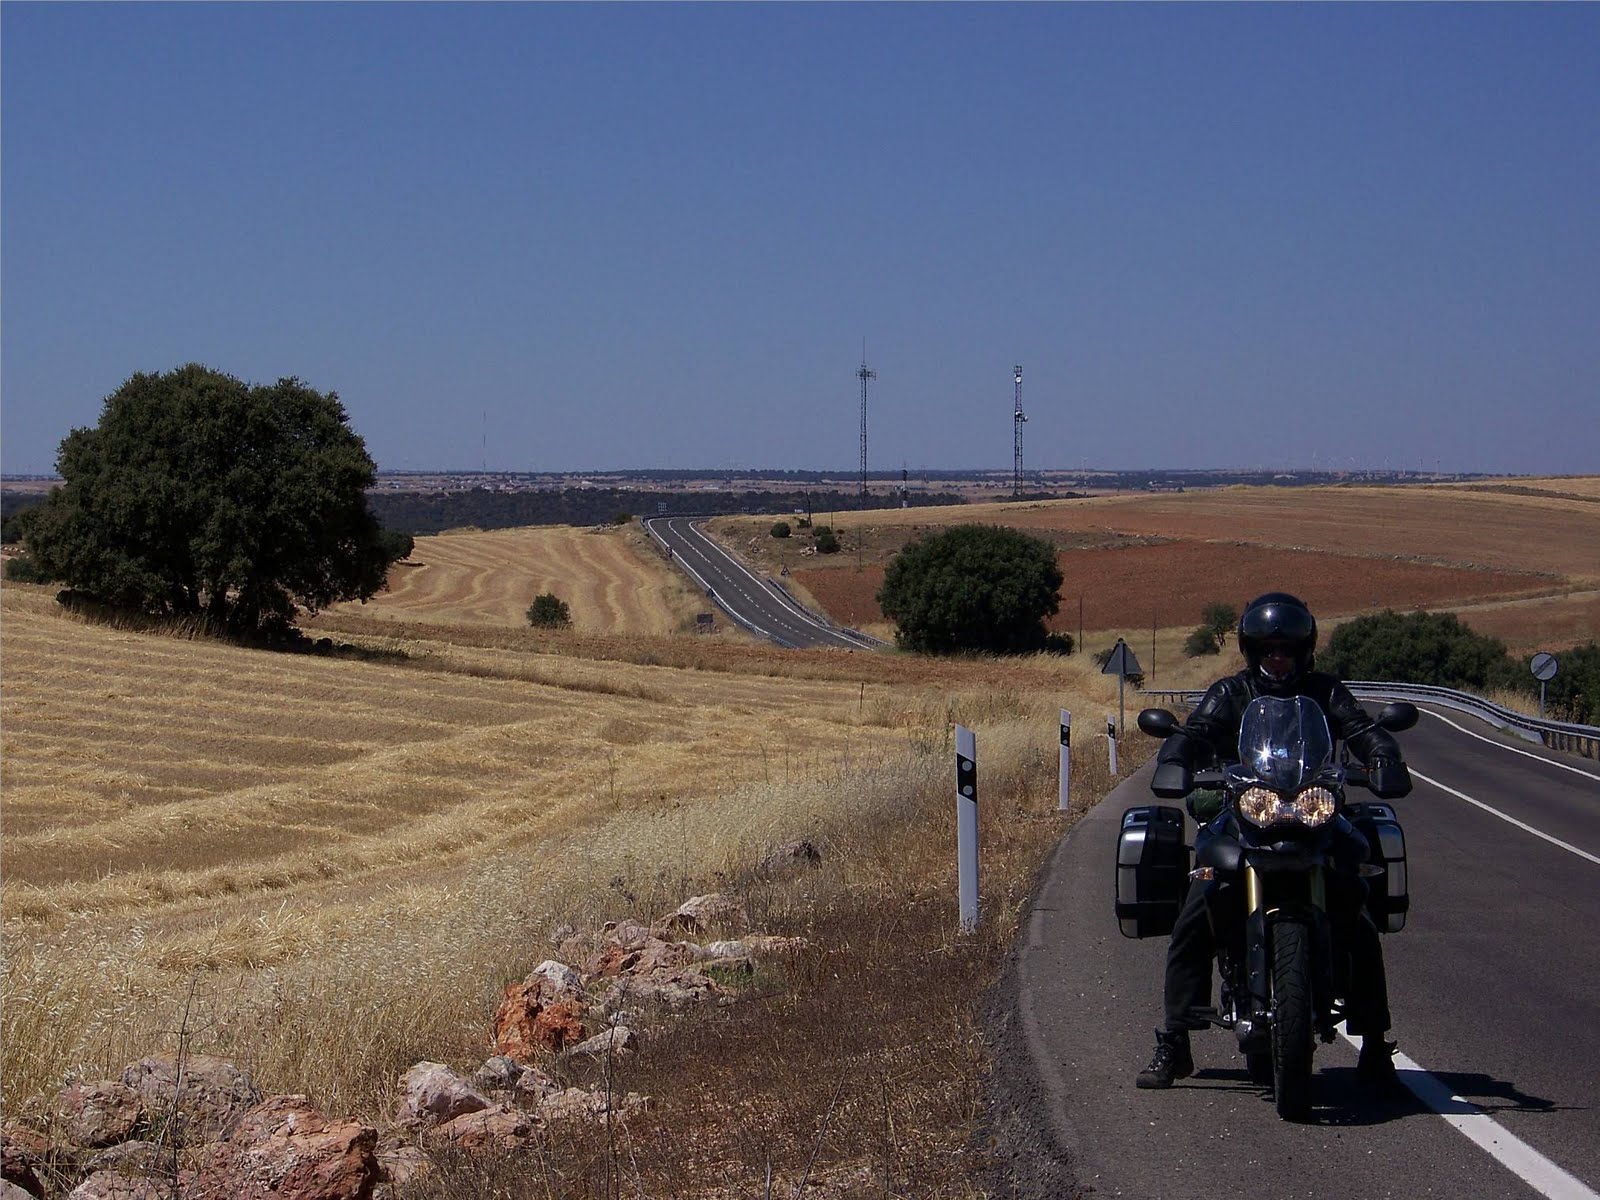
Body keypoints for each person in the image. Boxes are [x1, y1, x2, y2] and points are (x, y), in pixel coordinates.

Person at [1135, 592, 1412, 1091]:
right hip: (1243, 812)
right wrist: (1176, 758)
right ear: (1252, 651)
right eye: (1268, 649)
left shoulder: (1326, 692)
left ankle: (1375, 1044)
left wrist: (1382, 754)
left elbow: (1360, 727)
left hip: (1314, 810)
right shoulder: (1231, 691)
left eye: (1287, 650)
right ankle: (1174, 1041)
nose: (1278, 658)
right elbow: (1196, 730)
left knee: (1357, 912)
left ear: (1305, 650)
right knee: (1196, 912)